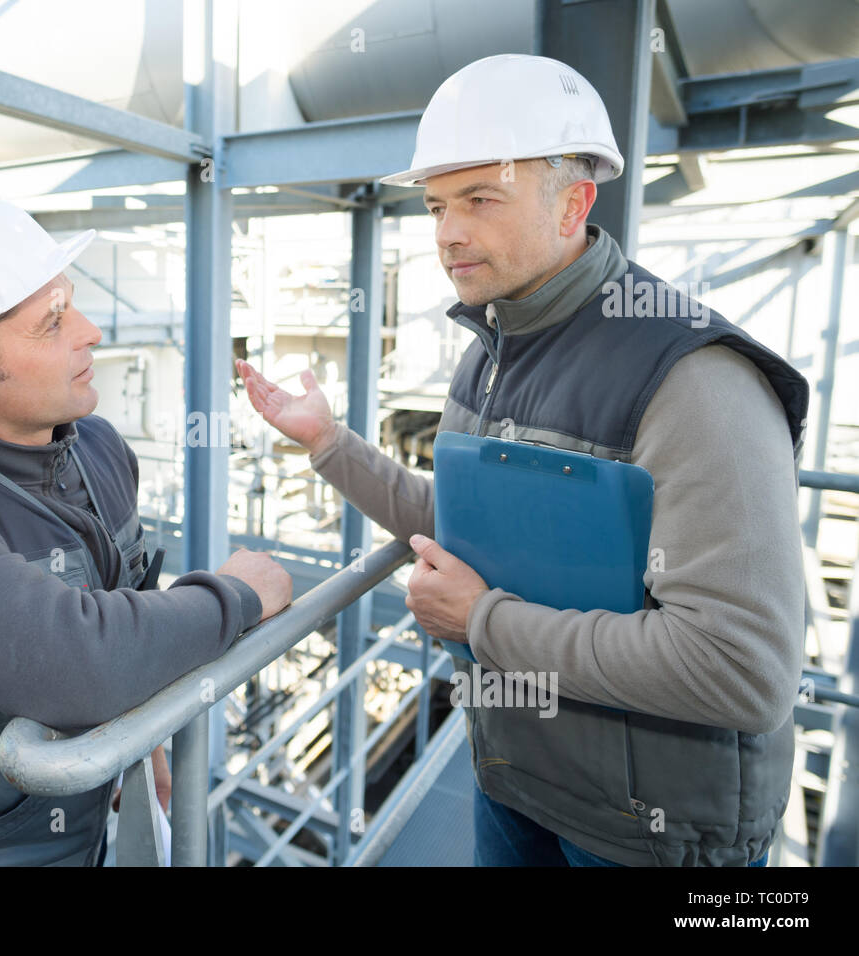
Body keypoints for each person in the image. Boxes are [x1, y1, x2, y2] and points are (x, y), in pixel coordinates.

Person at [237, 53, 808, 867]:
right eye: (436, 205)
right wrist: (329, 445)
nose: (447, 233)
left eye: (480, 199)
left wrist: (481, 624)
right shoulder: (494, 348)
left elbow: (741, 671)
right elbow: (467, 530)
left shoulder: (695, 381)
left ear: (575, 202)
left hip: (650, 834)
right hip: (514, 781)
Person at [0, 187, 292, 866]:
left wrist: (146, 738)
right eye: (52, 322)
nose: (90, 331)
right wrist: (237, 595)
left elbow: (124, 609)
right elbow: (77, 664)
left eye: (69, 301)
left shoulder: (99, 450)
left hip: (84, 843)